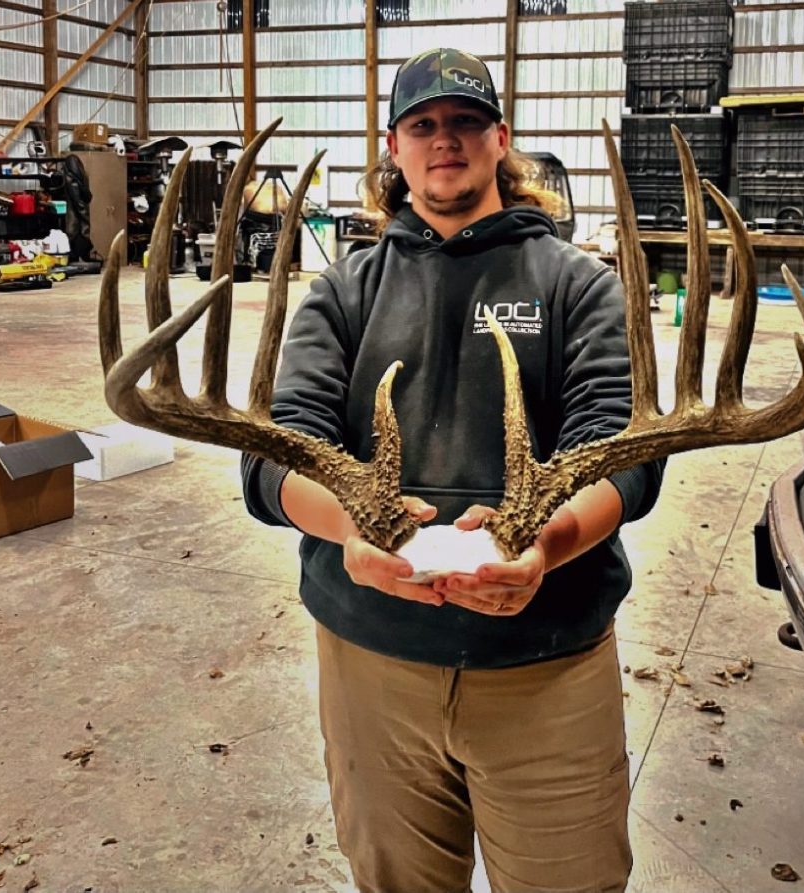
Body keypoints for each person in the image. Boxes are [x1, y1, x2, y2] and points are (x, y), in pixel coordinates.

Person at [241, 47, 665, 893]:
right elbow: (274, 455)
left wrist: (544, 544)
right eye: (423, 124)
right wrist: (350, 530)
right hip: (373, 654)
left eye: (466, 122)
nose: (446, 141)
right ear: (393, 147)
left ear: (499, 139)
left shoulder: (577, 284)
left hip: (546, 661)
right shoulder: (343, 292)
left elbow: (623, 455)